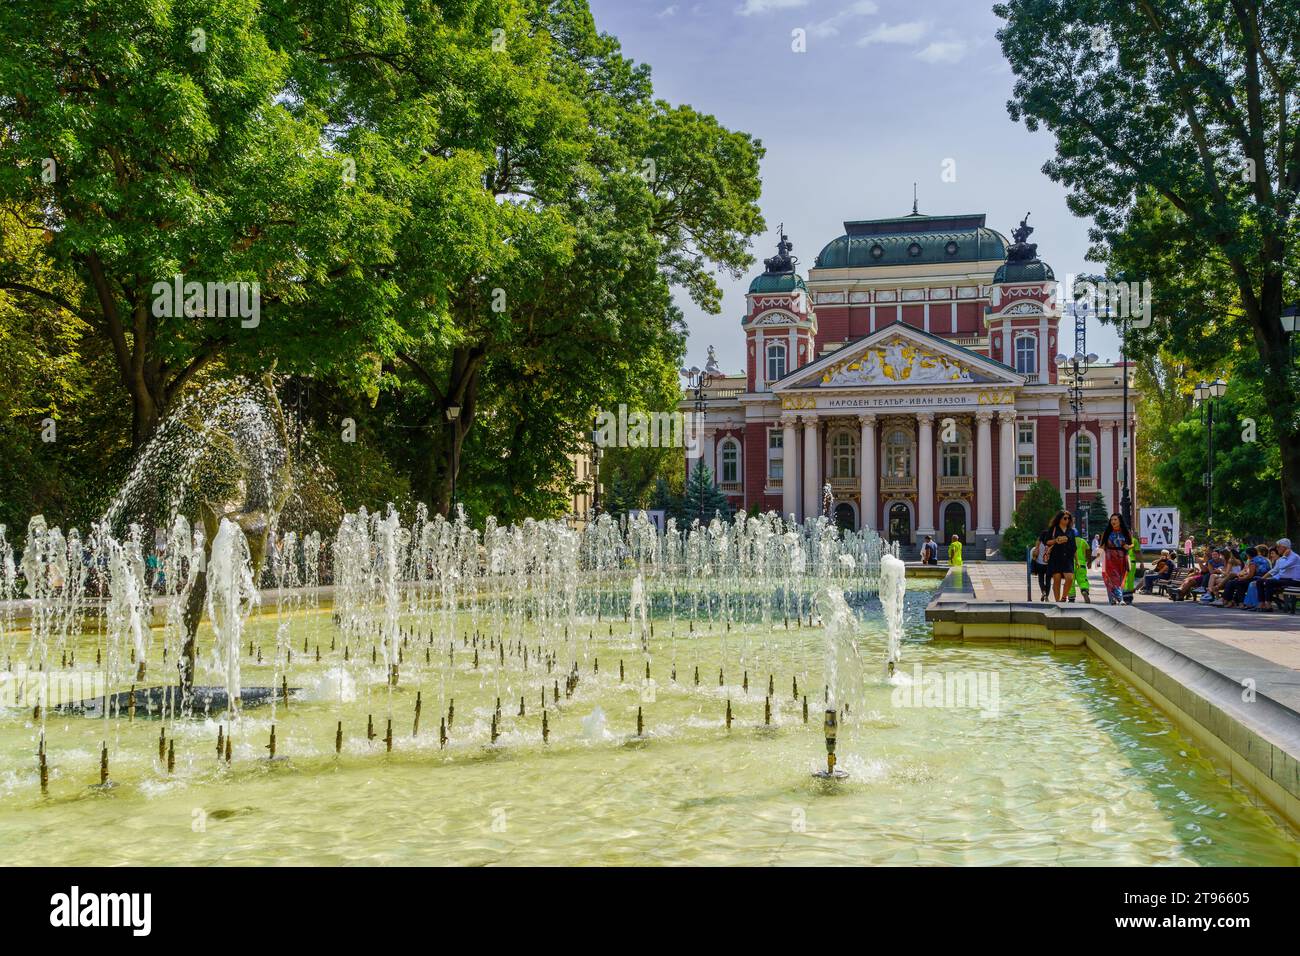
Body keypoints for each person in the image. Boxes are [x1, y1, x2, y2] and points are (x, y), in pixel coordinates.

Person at [1255, 538, 1300, 612]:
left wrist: (1284, 556)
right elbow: (1275, 570)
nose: (1277, 548)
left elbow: (1282, 566)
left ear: (1284, 547)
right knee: (1259, 581)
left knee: (1270, 582)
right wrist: (1263, 578)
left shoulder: (1294, 557)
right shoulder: (1282, 558)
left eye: (1279, 547)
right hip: (1284, 580)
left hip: (1294, 581)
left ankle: (1268, 606)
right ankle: (1261, 604)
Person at [1044, 511, 1078, 602]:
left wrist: (1077, 560)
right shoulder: (1053, 529)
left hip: (1068, 558)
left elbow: (1074, 547)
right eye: (1065, 518)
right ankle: (1057, 601)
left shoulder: (1071, 531)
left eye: (1068, 518)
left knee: (1070, 578)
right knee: (1057, 580)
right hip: (1056, 557)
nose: (1067, 520)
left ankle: (1064, 597)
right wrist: (1056, 540)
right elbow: (1046, 542)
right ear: (1059, 519)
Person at [1100, 512, 1133, 605]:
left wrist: (1128, 547)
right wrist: (1097, 558)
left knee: (1120, 579)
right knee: (1112, 578)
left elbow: (1131, 543)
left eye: (1115, 520)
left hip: (1122, 558)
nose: (1113, 521)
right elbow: (1102, 546)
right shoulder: (1106, 532)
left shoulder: (1126, 532)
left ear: (1120, 521)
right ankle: (1120, 599)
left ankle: (1112, 600)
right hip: (1109, 558)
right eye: (1111, 520)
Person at [1068, 530, 1091, 603]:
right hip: (1081, 564)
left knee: (1070, 581)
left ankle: (1071, 597)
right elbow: (1088, 551)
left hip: (1070, 564)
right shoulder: (1083, 541)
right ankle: (1084, 590)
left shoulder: (1068, 541)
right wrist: (1089, 561)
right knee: (1082, 579)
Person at [1031, 531, 1051, 601]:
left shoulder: (1039, 544)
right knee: (1048, 580)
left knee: (1041, 580)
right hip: (1049, 565)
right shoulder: (1050, 544)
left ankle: (1043, 592)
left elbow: (1035, 553)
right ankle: (1047, 596)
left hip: (1039, 564)